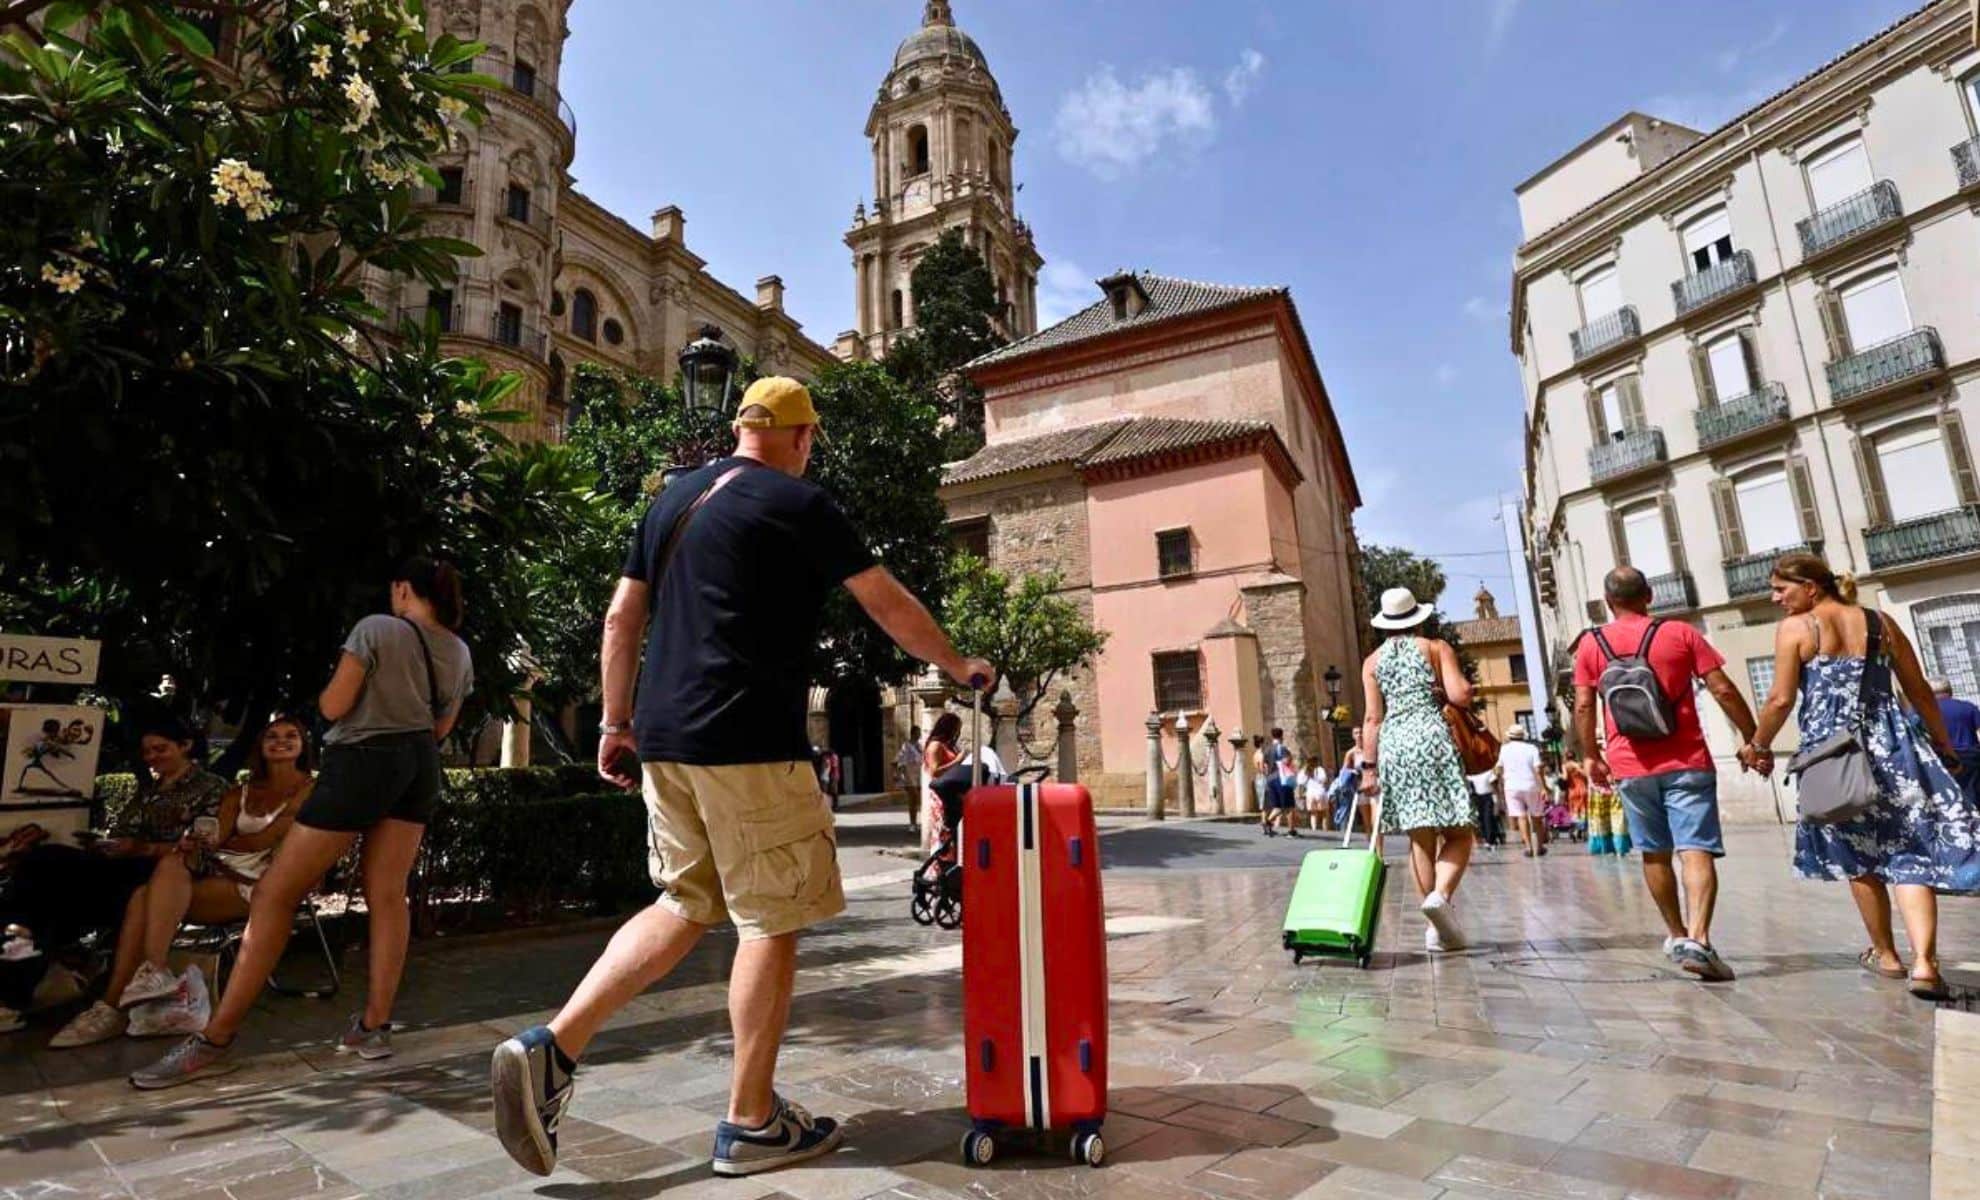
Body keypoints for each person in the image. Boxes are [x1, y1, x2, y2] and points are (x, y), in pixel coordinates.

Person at [487, 377, 994, 1178]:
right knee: (770, 917)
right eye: (810, 442)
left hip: (665, 737)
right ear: (800, 437)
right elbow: (884, 601)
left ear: (739, 429)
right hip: (749, 738)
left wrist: (616, 725)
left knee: (684, 901)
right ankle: (751, 1121)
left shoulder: (670, 502)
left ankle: (552, 1045)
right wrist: (958, 662)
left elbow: (622, 618)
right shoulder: (800, 504)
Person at [132, 559, 474, 1087]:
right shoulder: (458, 649)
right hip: (419, 765)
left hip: (363, 760)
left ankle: (215, 1039)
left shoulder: (376, 629)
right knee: (387, 894)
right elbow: (443, 724)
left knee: (274, 895)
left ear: (403, 589)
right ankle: (374, 1027)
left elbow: (336, 707)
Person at [1750, 553, 1980, 999]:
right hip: (1894, 749)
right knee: (1911, 853)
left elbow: (1779, 699)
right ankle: (1926, 965)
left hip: (1834, 754)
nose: (1776, 598)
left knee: (1859, 858)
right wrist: (1944, 746)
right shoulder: (1881, 624)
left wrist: (1758, 745)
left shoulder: (1797, 628)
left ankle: (1887, 954)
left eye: (1781, 589)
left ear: (1810, 588)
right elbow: (1918, 693)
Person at [52, 717, 314, 1048]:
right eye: (272, 736)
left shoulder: (312, 790)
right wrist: (198, 843)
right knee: (162, 873)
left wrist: (215, 843)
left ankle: (114, 1003)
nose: (281, 741)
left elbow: (259, 841)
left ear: (304, 744)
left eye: (291, 736)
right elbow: (214, 837)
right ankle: (149, 976)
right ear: (260, 747)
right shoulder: (241, 792)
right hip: (219, 870)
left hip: (266, 882)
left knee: (144, 897)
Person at [1575, 566, 1759, 983]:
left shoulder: (1591, 644)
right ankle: (1699, 938)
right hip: (1687, 759)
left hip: (1629, 764)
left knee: (1654, 852)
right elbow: (1723, 689)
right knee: (1695, 848)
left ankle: (1676, 935)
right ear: (1650, 596)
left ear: (1608, 601)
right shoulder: (1680, 634)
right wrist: (1751, 736)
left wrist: (1591, 755)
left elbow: (1585, 706)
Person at [0, 717, 226, 1032]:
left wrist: (143, 847)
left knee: (47, 889)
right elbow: (122, 833)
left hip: (164, 872)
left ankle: (18, 993)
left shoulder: (212, 787)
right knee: (40, 867)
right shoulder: (147, 789)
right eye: (147, 752)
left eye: (160, 749)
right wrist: (105, 844)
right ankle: (18, 988)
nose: (152, 757)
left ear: (185, 746)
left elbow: (203, 848)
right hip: (122, 865)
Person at [1359, 587, 1476, 952]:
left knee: (1419, 838)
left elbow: (1372, 718)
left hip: (1395, 744)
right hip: (1431, 737)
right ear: (1418, 618)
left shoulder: (1372, 662)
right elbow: (1461, 696)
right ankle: (1440, 896)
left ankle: (1435, 931)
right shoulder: (1435, 648)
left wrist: (1368, 768)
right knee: (1459, 832)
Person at [1498, 727, 1547, 858]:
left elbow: (1499, 768)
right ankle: (1540, 847)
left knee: (1521, 816)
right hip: (1531, 784)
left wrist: (1501, 784)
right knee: (1537, 816)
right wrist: (1543, 787)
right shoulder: (1532, 748)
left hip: (1511, 786)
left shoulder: (1504, 749)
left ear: (1510, 736)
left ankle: (1528, 847)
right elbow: (1538, 769)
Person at [1932, 679, 1980, 806]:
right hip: (1971, 756)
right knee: (1974, 792)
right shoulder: (1968, 707)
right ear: (1950, 691)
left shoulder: (1928, 712)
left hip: (1943, 757)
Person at [920, 713, 963, 854]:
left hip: (951, 792)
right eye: (956, 728)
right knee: (942, 830)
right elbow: (935, 772)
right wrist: (958, 761)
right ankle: (939, 865)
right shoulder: (935, 746)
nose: (958, 732)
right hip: (941, 794)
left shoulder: (948, 745)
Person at [895, 726, 923, 831]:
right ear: (913, 733)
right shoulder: (906, 746)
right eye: (918, 732)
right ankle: (912, 823)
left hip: (919, 776)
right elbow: (900, 761)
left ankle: (917, 823)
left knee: (918, 800)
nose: (920, 734)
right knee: (913, 800)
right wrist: (901, 775)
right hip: (909, 776)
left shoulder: (919, 746)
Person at [1465, 767, 1501, 850]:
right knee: (1481, 818)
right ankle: (1486, 837)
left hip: (1488, 796)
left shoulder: (1488, 772)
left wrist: (1497, 801)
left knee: (1488, 817)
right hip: (1477, 797)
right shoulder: (1471, 773)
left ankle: (1490, 840)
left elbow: (1494, 787)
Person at [1300, 756, 1330, 831]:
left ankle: (1314, 829)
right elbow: (1324, 779)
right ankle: (1325, 830)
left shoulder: (1305, 770)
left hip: (1310, 793)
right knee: (1324, 813)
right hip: (1320, 792)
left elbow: (1300, 782)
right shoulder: (1319, 769)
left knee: (1313, 814)